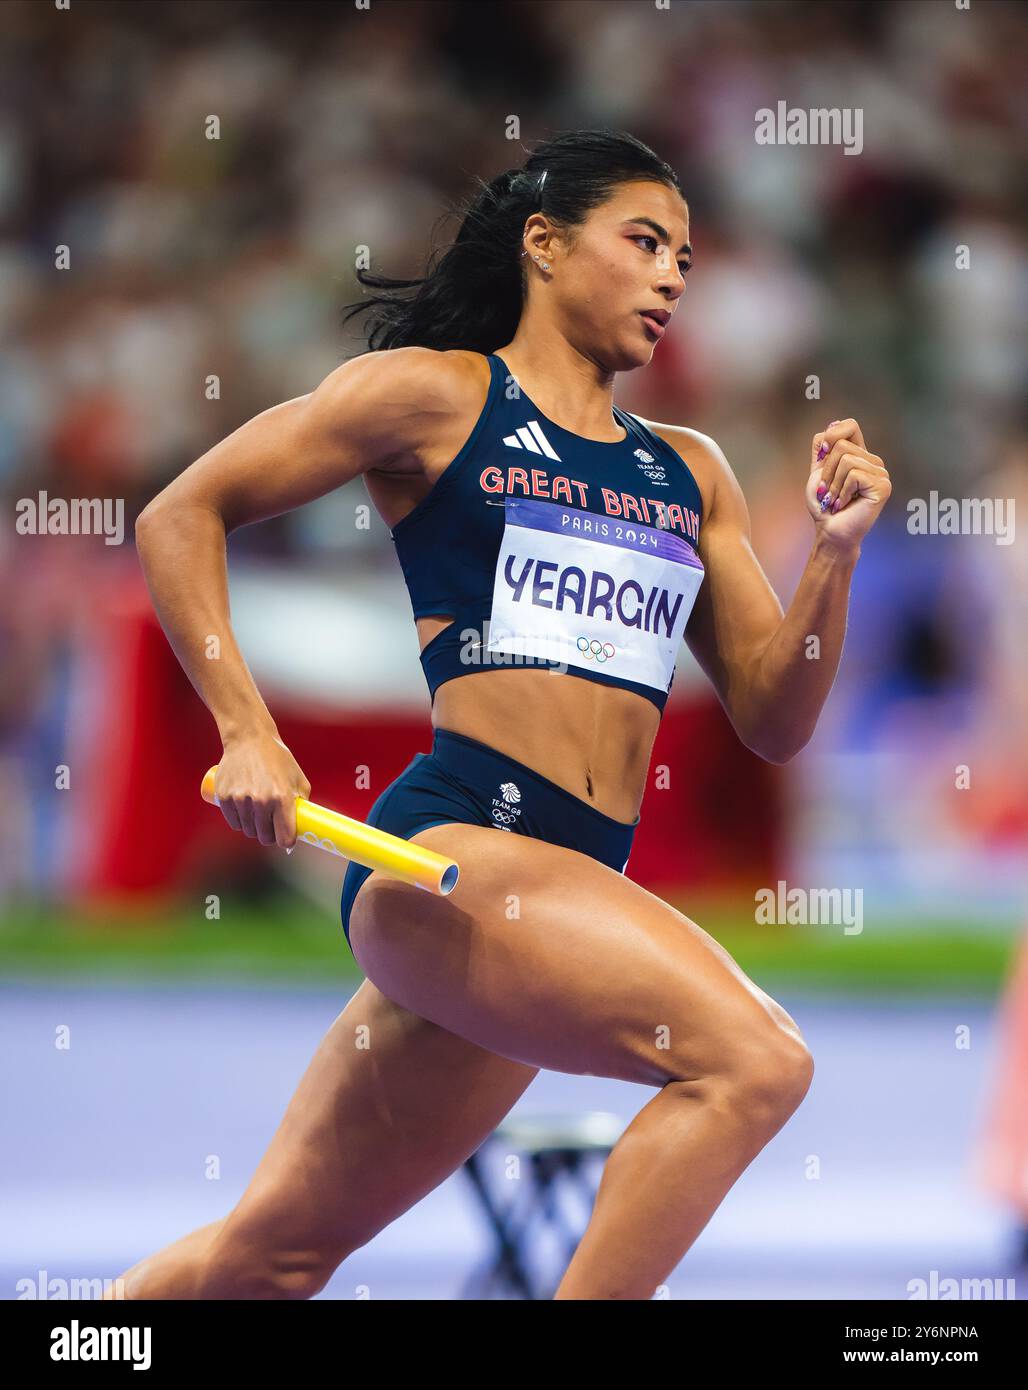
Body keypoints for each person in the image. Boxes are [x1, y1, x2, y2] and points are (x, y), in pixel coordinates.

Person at [111, 130, 892, 1300]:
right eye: (643, 242)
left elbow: (775, 719)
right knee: (753, 1061)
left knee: (269, 1258)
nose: (674, 276)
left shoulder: (688, 471)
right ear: (543, 243)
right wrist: (244, 727)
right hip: (453, 863)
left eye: (685, 256)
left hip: (555, 907)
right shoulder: (436, 393)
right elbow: (180, 515)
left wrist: (829, 559)